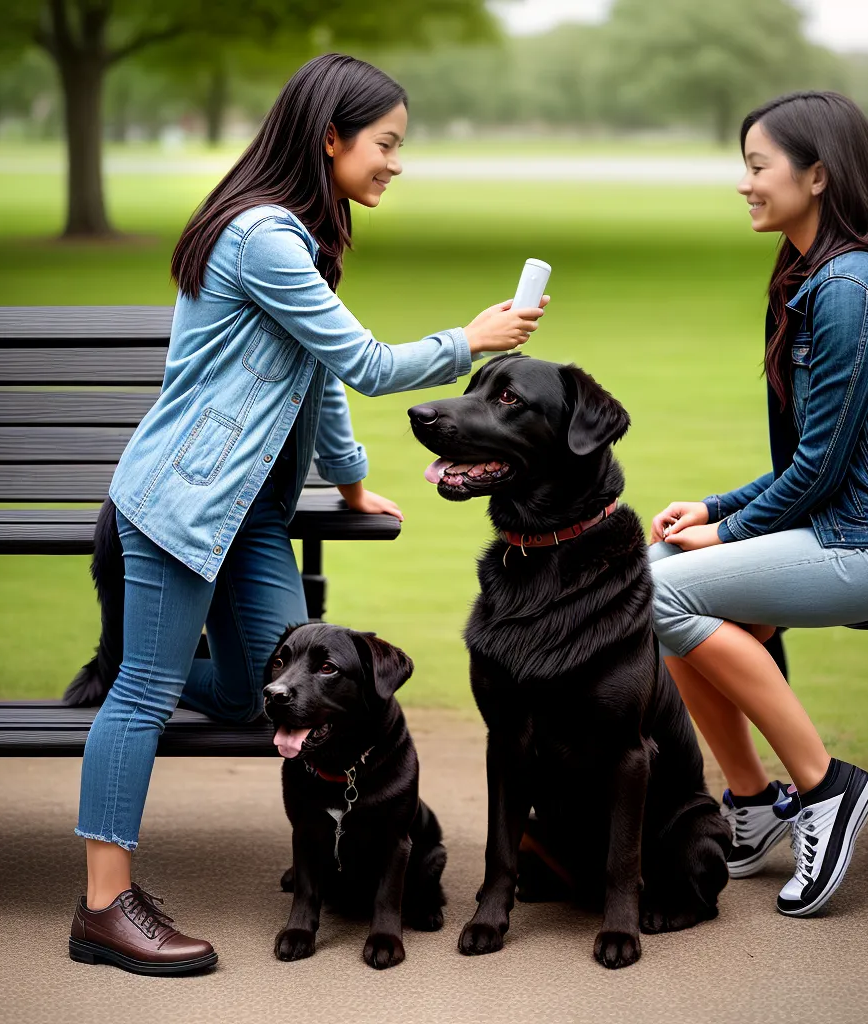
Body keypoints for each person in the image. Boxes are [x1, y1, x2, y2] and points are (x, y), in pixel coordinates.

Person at [69, 53, 548, 974]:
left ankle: (134, 667)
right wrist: (470, 341)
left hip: (249, 516)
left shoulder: (303, 241)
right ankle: (103, 906)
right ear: (331, 138)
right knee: (144, 697)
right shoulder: (262, 237)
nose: (396, 162)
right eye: (386, 143)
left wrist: (353, 480)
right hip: (182, 501)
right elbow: (363, 362)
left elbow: (318, 375)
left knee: (267, 690)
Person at [647, 91, 868, 918]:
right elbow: (810, 463)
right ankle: (753, 802)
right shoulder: (816, 280)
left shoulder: (849, 289)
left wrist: (728, 529)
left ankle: (825, 785)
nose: (744, 183)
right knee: (661, 572)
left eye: (758, 166)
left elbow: (821, 468)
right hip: (855, 529)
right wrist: (712, 510)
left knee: (654, 589)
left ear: (818, 175)